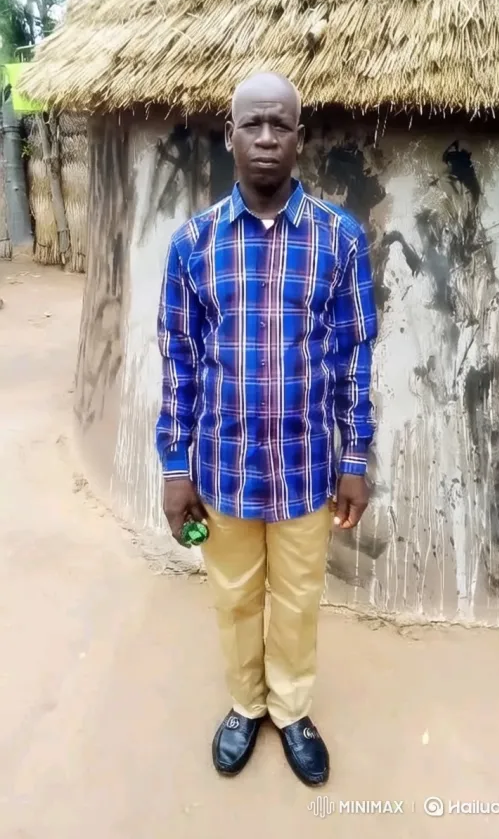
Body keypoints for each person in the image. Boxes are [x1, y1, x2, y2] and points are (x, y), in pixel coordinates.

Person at [156, 72, 377, 786]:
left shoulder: (340, 240)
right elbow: (179, 363)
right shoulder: (193, 245)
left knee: (299, 595)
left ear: (300, 139)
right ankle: (245, 702)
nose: (265, 139)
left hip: (310, 465)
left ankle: (290, 707)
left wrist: (356, 455)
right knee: (234, 594)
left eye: (280, 125)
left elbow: (355, 359)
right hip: (223, 467)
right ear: (229, 135)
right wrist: (175, 466)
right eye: (251, 124)